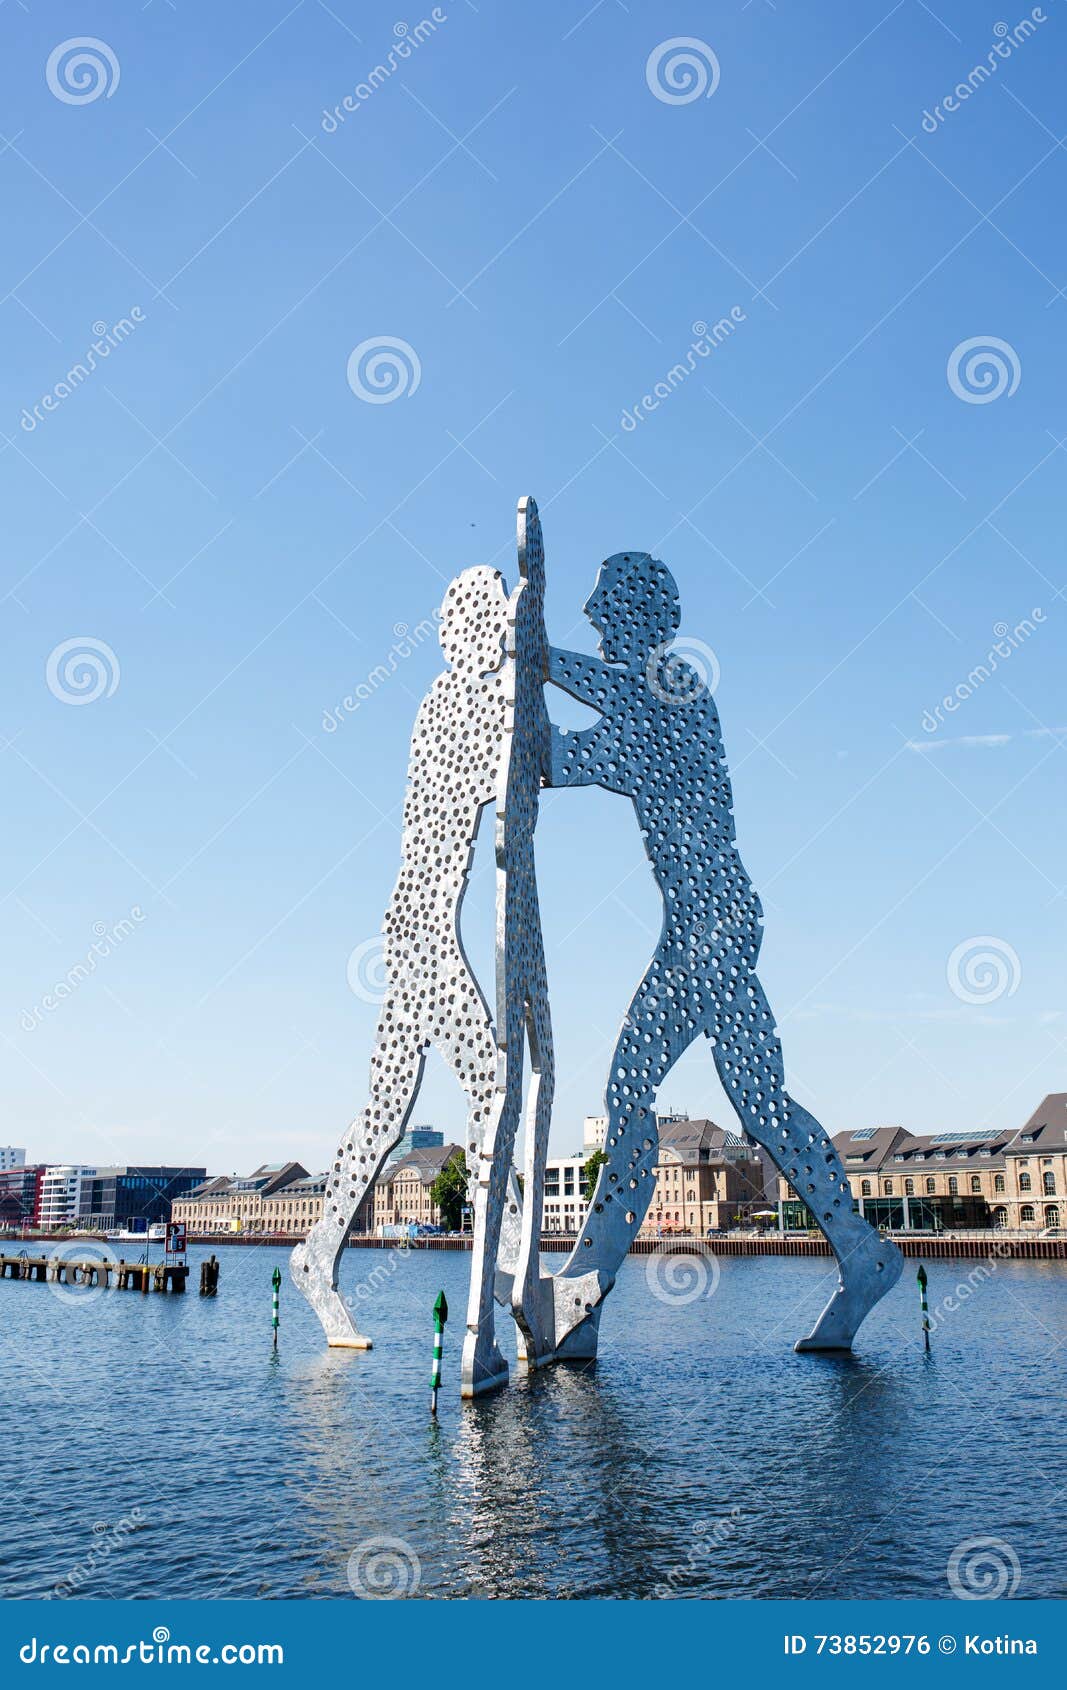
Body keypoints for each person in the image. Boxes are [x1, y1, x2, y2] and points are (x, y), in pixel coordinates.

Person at [545, 551, 902, 1357]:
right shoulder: (641, 716)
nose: (593, 617)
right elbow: (565, 758)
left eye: (603, 605)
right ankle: (862, 1252)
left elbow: (600, 724)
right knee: (758, 1103)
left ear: (639, 614)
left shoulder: (673, 693)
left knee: (633, 1093)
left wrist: (529, 653)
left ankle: (582, 1292)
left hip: (712, 924)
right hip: (703, 925)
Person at [291, 565, 512, 1347]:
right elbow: (517, 774)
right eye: (493, 624)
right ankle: (516, 1254)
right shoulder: (463, 702)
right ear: (469, 632)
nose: (499, 638)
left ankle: (318, 1255)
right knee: (490, 1090)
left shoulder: (442, 700)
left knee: (389, 1109)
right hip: (422, 932)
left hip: (412, 926)